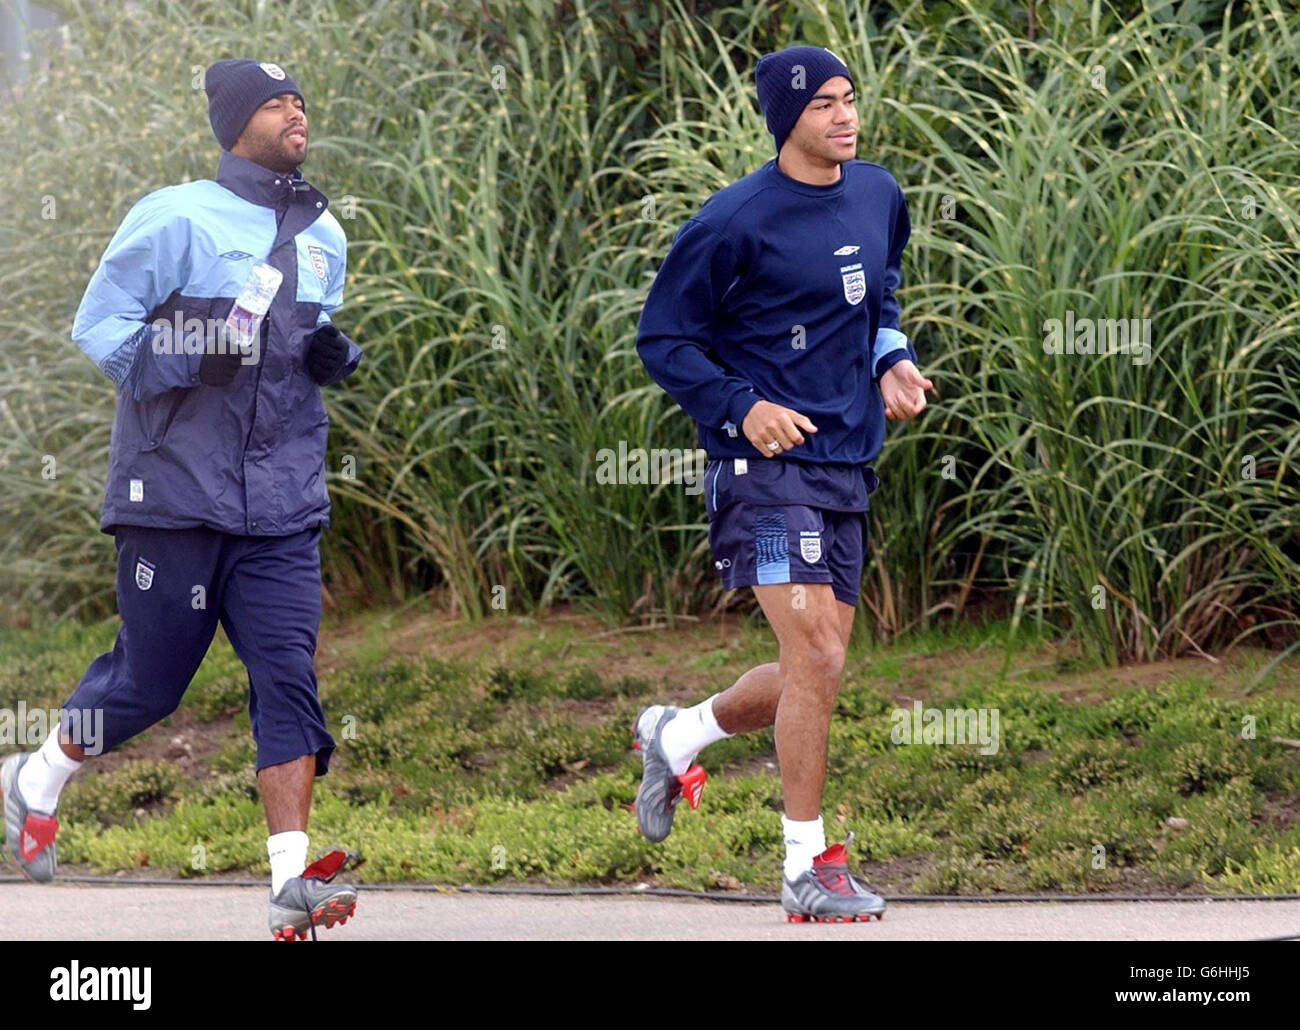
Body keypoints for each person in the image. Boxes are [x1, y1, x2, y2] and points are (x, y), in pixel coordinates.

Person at [1, 58, 363, 940]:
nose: (294, 111)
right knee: (151, 684)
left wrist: (333, 358)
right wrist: (188, 356)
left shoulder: (325, 234)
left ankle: (289, 881)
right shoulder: (173, 217)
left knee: (289, 679)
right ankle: (37, 775)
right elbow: (100, 329)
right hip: (172, 493)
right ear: (235, 125)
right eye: (275, 102)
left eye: (300, 100)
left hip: (280, 504)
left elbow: (307, 346)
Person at [634, 44, 933, 923]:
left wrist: (893, 359)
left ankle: (677, 732)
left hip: (846, 457)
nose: (845, 116)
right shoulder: (734, 222)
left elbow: (880, 294)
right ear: (786, 120)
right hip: (759, 466)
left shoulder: (877, 193)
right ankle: (807, 863)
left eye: (850, 99)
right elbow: (666, 340)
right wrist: (741, 407)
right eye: (824, 105)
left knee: (820, 664)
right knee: (817, 653)